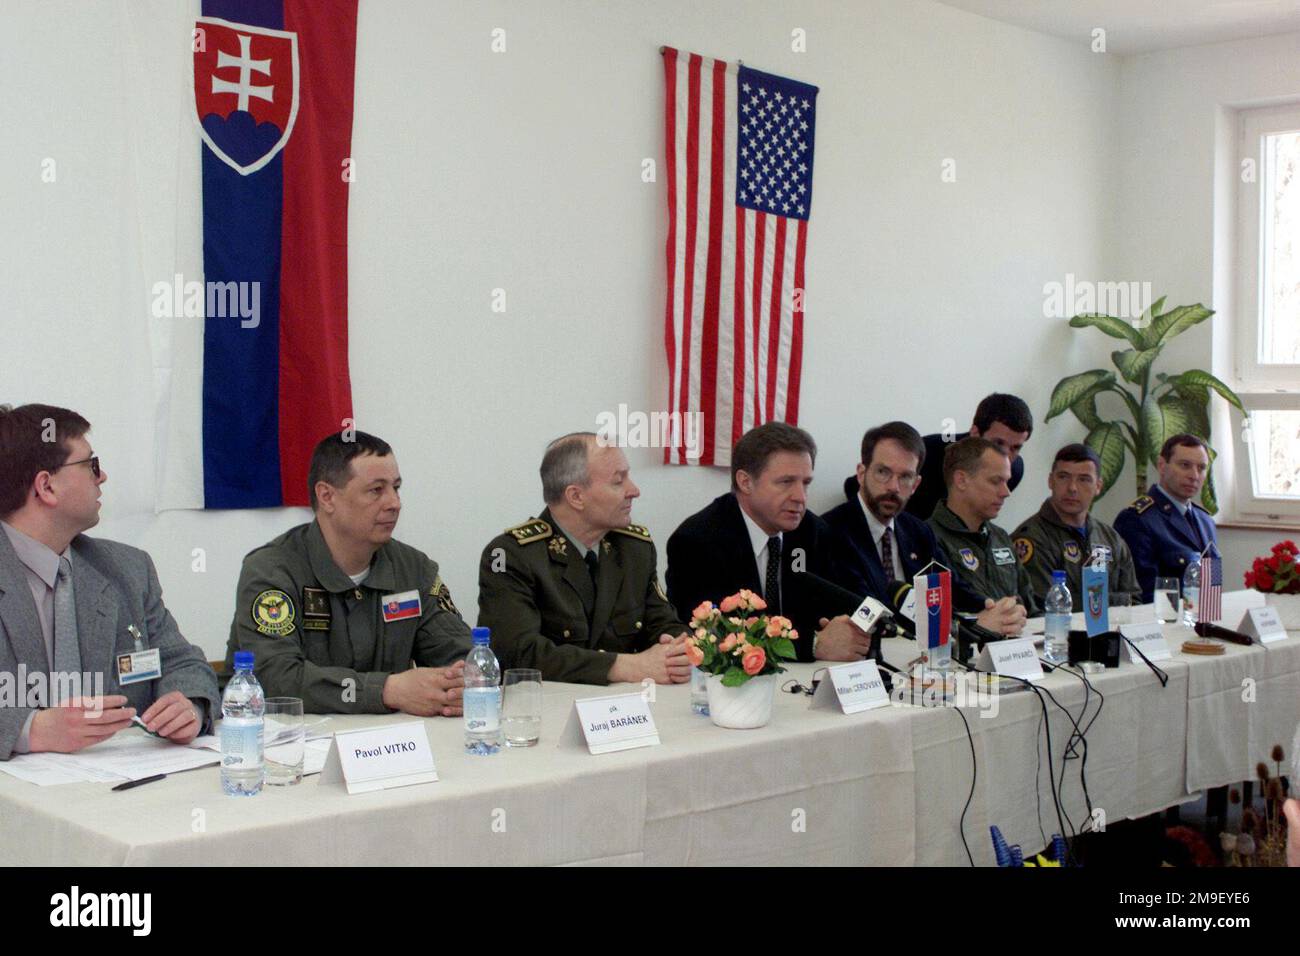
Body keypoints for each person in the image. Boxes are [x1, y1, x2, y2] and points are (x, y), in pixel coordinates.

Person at [0, 404, 219, 760]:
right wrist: (31, 729)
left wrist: (190, 706)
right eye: (91, 465)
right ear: (46, 486)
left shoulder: (127, 569)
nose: (102, 477)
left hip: (117, 788)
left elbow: (183, 662)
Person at [226, 431, 471, 716]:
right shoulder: (272, 570)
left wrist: (462, 683)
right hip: (290, 744)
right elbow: (276, 679)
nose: (394, 503)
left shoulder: (414, 568)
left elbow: (461, 654)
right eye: (376, 490)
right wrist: (387, 690)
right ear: (327, 496)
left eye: (396, 487)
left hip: (391, 744)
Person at [477, 433, 689, 686]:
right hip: (551, 707)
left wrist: (678, 650)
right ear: (576, 496)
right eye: (618, 481)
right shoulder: (512, 555)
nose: (634, 491)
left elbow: (663, 624)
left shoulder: (634, 549)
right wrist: (623, 666)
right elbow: (517, 652)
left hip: (626, 707)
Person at [666, 423, 875, 663]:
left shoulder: (813, 532)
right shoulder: (697, 541)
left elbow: (834, 608)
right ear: (745, 482)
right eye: (786, 482)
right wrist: (812, 644)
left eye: (805, 482)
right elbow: (715, 636)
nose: (800, 497)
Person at [824, 421, 1025, 635]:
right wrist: (966, 627)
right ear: (861, 473)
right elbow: (870, 610)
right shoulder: (830, 531)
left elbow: (952, 589)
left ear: (916, 485)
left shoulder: (917, 531)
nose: (893, 486)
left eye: (905, 477)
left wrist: (992, 609)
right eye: (883, 472)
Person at [1012, 443, 1140, 610]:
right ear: (1051, 481)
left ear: (1098, 486)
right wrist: (1115, 601)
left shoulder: (1110, 538)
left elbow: (1134, 602)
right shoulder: (1031, 538)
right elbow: (1044, 605)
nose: (1072, 488)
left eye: (1084, 479)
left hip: (1111, 634)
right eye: (1063, 477)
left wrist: (1090, 602)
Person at [928, 437, 1039, 615]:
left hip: (1019, 638)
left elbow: (1031, 608)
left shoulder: (1001, 538)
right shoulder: (928, 538)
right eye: (996, 481)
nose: (1006, 492)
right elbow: (941, 615)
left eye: (1007, 482)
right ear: (961, 480)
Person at [1113, 434, 1219, 603]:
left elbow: (1213, 589)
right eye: (1185, 465)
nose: (1194, 475)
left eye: (1201, 468)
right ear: (1162, 465)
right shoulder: (1137, 520)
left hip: (1203, 621)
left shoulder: (1206, 521)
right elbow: (1142, 595)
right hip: (1164, 622)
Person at [904, 393, 1033, 520]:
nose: (1006, 457)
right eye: (998, 444)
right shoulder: (926, 455)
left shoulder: (1013, 471)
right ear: (975, 433)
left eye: (1015, 448)